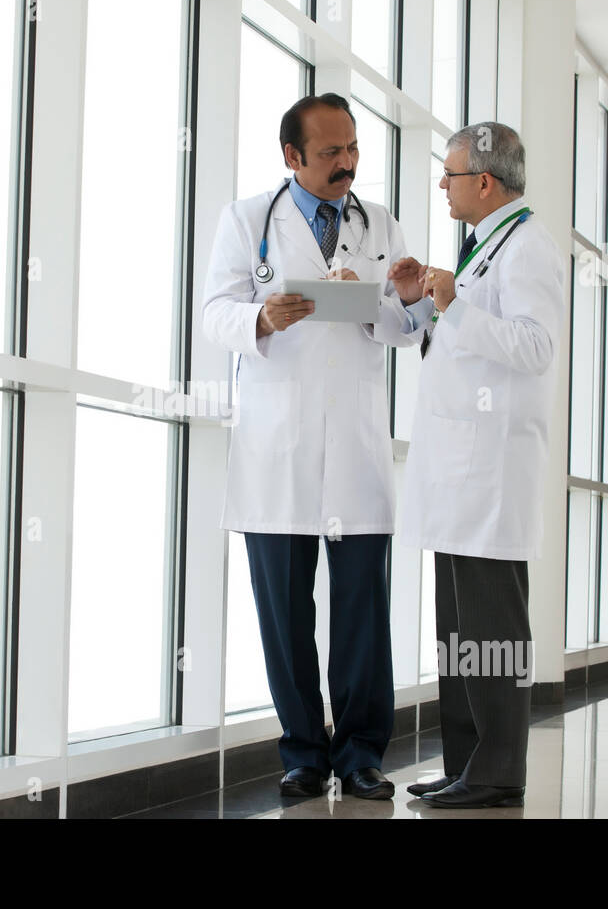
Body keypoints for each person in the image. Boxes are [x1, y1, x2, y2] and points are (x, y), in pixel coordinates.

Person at [200, 93, 433, 800]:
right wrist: (262, 317)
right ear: (292, 156)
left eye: (353, 148)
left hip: (356, 448)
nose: (347, 163)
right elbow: (214, 314)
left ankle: (361, 755)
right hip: (278, 450)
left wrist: (402, 298)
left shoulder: (380, 224)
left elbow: (404, 329)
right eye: (331, 152)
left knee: (362, 611)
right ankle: (303, 753)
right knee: (285, 615)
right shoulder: (247, 220)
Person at [398, 122, 566, 808]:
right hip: (458, 472)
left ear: (486, 182)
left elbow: (535, 347)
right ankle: (466, 763)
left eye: (451, 174)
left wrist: (454, 305)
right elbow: (464, 341)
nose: (443, 184)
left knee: (492, 630)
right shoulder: (483, 249)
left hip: (491, 472)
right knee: (459, 629)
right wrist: (430, 301)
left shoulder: (528, 248)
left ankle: (498, 771)